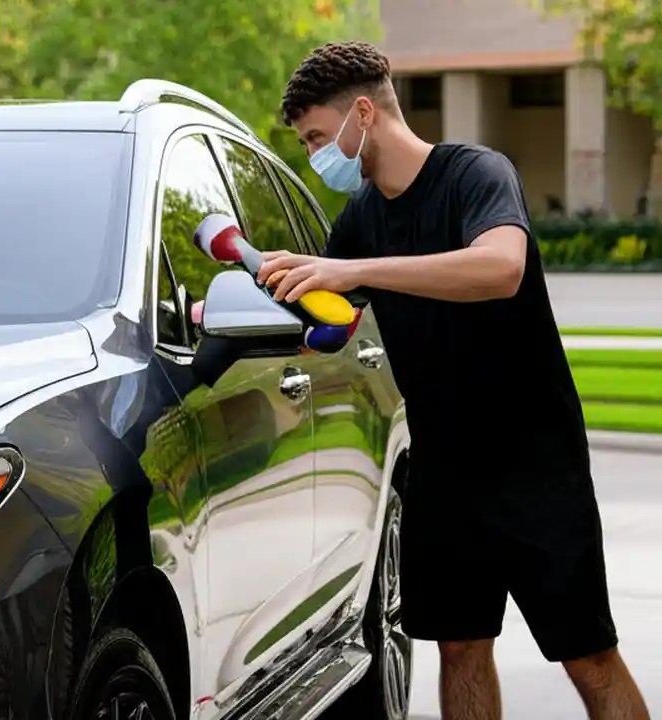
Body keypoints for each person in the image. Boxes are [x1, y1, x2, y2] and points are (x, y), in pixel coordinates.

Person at [263, 41, 650, 720]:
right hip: (444, 468)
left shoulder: (475, 174)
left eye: (319, 138)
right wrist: (241, 296)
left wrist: (357, 272)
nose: (316, 156)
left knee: (587, 654)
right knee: (460, 648)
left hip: (536, 462)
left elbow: (499, 268)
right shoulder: (361, 221)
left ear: (362, 113)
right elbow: (325, 319)